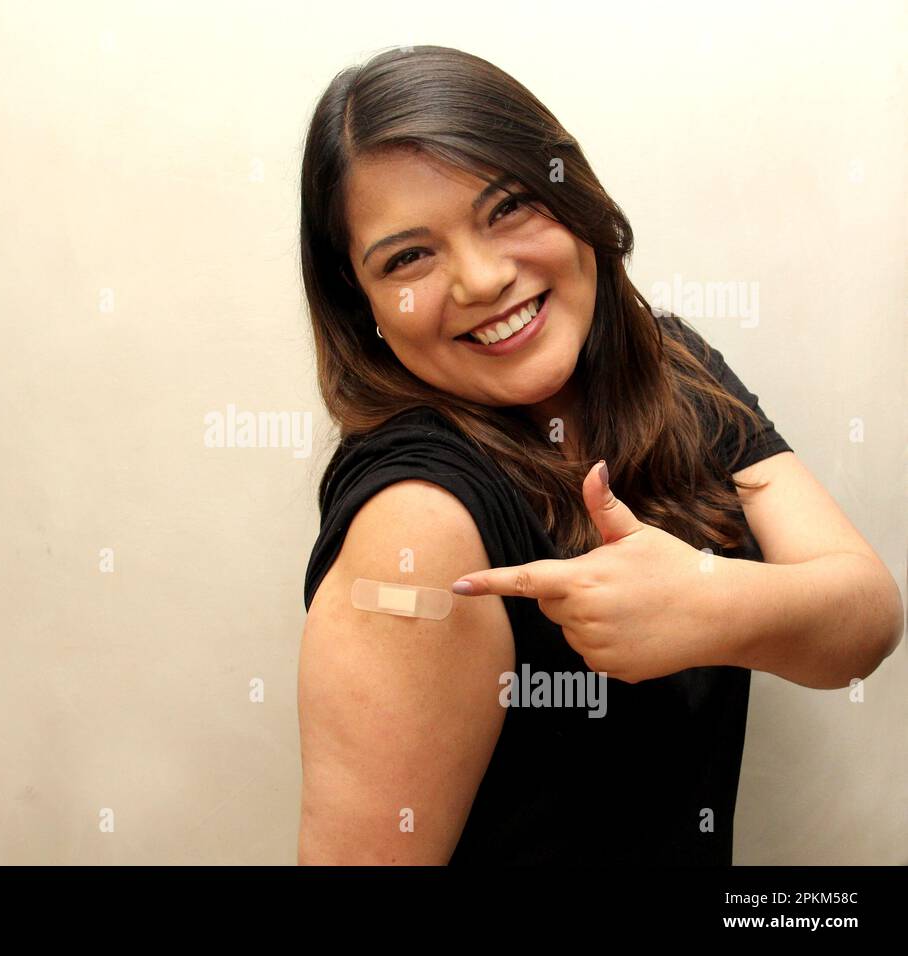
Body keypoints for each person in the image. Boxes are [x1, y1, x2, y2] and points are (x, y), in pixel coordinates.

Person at [295, 45, 903, 865]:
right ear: (361, 302)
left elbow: (864, 619)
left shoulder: (671, 367)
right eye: (409, 257)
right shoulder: (418, 524)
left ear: (569, 195)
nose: (480, 279)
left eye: (507, 207)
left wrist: (704, 599)